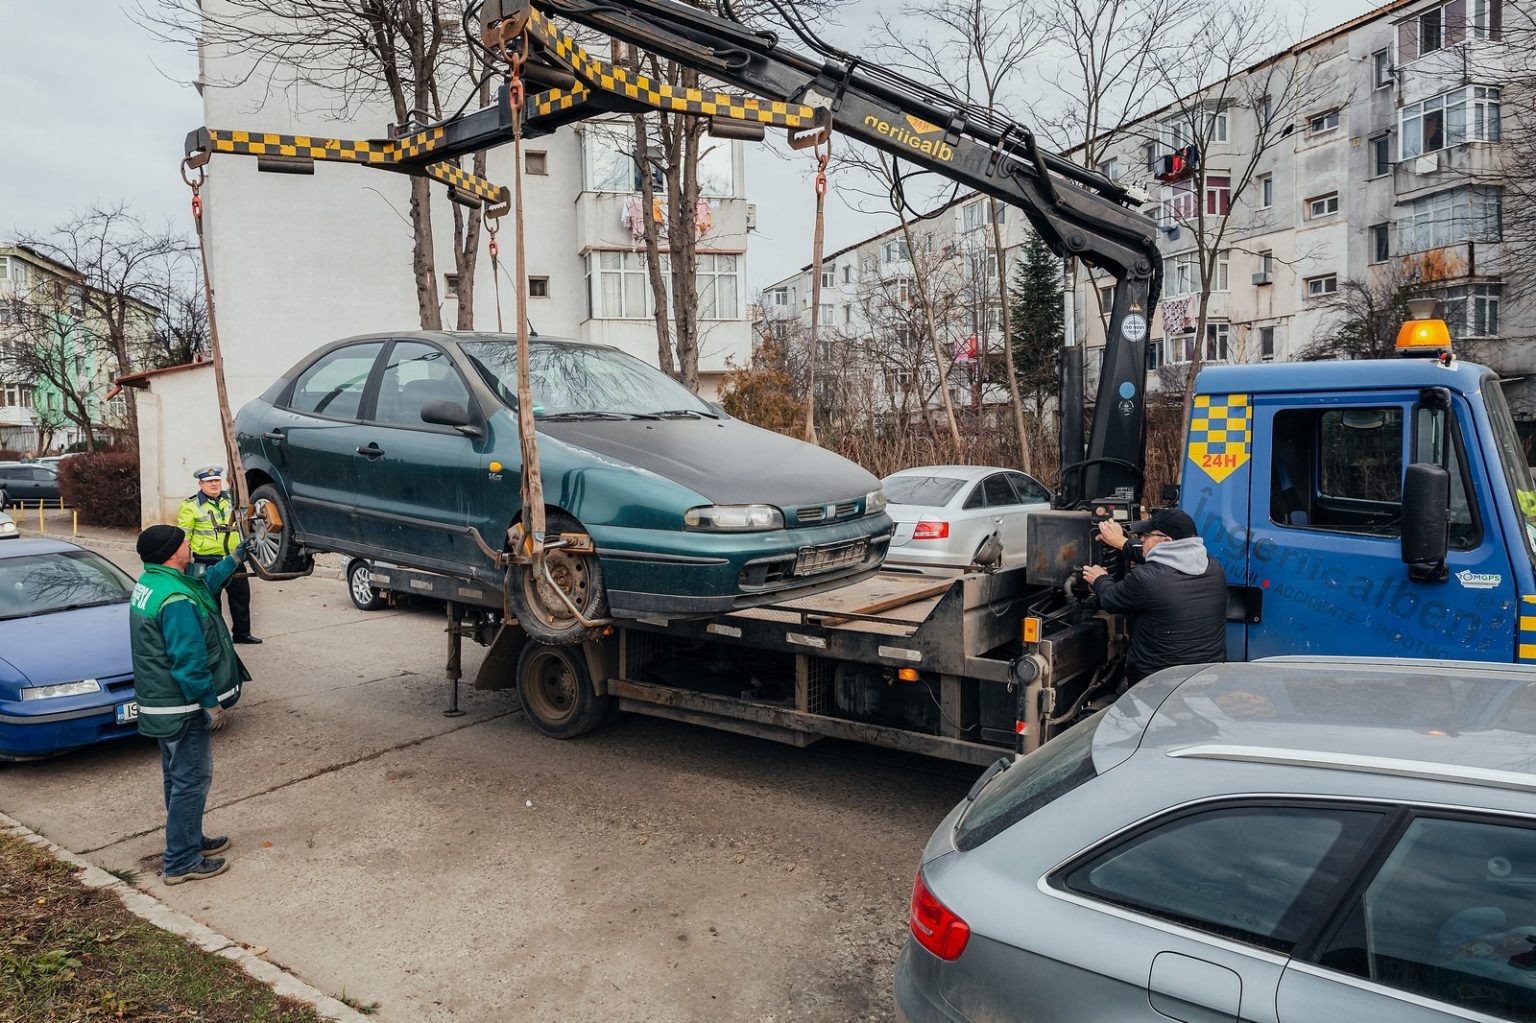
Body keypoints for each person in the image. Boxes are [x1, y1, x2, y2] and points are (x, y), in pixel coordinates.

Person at [129, 523, 251, 885]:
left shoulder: (155, 583)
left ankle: (189, 838)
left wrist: (233, 559)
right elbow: (188, 660)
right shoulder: (176, 601)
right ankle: (180, 861)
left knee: (176, 776)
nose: (190, 545)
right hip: (181, 706)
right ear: (172, 551)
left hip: (160, 703)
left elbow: (204, 585)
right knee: (192, 779)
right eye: (185, 542)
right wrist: (209, 703)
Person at [1081, 508, 1227, 685]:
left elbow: (1111, 599)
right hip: (1205, 674)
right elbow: (1162, 559)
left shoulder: (1147, 579)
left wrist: (1099, 579)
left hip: (1157, 681)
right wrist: (1121, 542)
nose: (1141, 539)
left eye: (1146, 535)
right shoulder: (1213, 567)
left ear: (1167, 541)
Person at [178, 465, 261, 644]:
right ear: (201, 483)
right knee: (211, 602)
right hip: (207, 561)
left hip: (234, 557)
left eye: (216, 480)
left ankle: (242, 634)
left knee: (241, 597)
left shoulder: (232, 500)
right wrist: (185, 561)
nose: (214, 484)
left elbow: (246, 521)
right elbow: (184, 536)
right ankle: (216, 637)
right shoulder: (190, 506)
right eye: (209, 482)